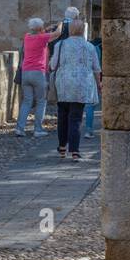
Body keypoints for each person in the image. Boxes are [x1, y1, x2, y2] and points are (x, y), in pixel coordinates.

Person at [49, 19, 101, 161]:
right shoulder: (89, 46)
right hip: (81, 86)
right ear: (83, 30)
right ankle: (75, 151)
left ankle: (62, 147)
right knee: (76, 118)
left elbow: (53, 65)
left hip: (63, 85)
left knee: (63, 116)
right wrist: (99, 83)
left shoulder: (60, 44)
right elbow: (96, 68)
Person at [15, 17, 52, 138]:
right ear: (40, 28)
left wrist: (46, 29)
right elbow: (57, 34)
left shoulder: (27, 36)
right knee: (41, 101)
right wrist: (61, 24)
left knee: (27, 101)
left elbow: (38, 32)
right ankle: (38, 129)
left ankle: (19, 128)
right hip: (38, 73)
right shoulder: (42, 38)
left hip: (26, 72)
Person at [84, 34, 102, 135]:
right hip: (89, 79)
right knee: (90, 106)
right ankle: (88, 129)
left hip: (72, 80)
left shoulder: (63, 45)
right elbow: (97, 67)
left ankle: (71, 131)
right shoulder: (94, 49)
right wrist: (98, 82)